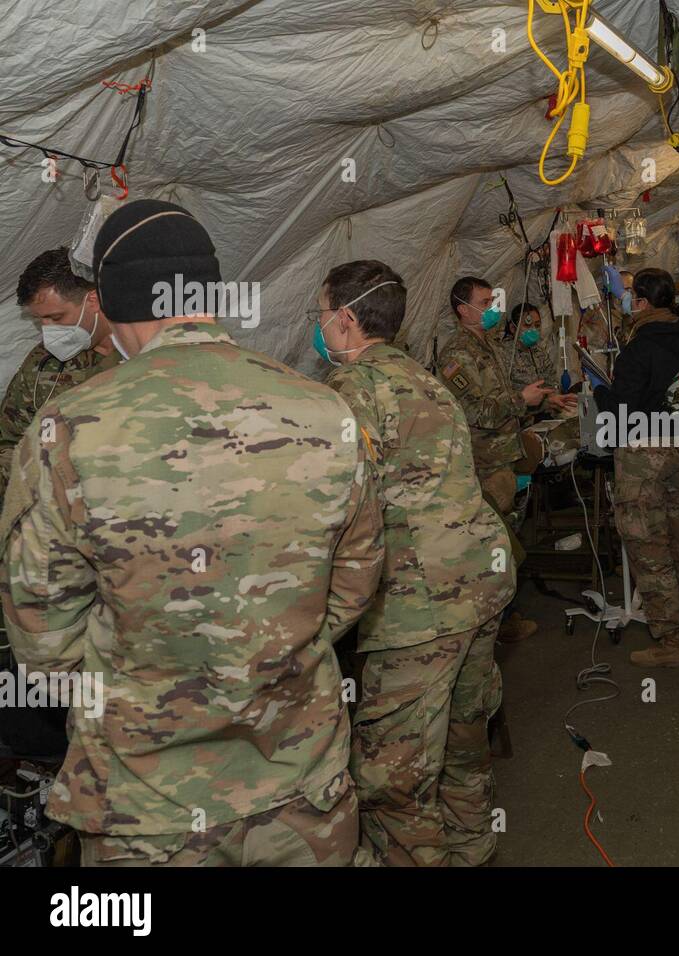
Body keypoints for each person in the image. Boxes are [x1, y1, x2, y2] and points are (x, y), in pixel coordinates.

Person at [0, 199, 385, 866]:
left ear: (112, 300)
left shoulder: (68, 429)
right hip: (299, 781)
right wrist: (265, 657)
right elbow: (354, 583)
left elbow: (42, 633)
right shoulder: (326, 410)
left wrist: (143, 667)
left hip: (147, 800)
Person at [314, 259, 516, 866]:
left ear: (346, 320)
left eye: (320, 315)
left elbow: (340, 507)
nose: (319, 326)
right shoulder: (426, 379)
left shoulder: (350, 392)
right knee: (462, 736)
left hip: (418, 605)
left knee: (393, 771)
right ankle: (473, 849)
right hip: (478, 579)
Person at [594, 268, 679, 667]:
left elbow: (623, 408)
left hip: (646, 449)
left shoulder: (639, 345)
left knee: (649, 545)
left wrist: (599, 392)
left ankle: (670, 639)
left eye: (630, 297)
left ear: (642, 302)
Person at [437, 275, 561, 643]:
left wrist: (541, 400)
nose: (493, 308)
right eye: (484, 302)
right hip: (484, 462)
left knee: (506, 544)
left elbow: (504, 395)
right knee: (493, 548)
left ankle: (505, 615)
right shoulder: (456, 356)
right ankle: (494, 624)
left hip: (505, 457)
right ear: (463, 310)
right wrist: (522, 400)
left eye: (493, 300)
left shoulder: (486, 345)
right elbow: (475, 410)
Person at [1, 248, 119, 492]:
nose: (48, 330)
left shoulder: (145, 356)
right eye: (40, 320)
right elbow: (9, 441)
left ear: (93, 300)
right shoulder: (43, 362)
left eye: (56, 317)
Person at [505, 302, 563, 402]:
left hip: (545, 409)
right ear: (513, 328)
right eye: (527, 325)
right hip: (520, 412)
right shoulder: (504, 354)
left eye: (537, 325)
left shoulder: (539, 352)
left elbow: (552, 381)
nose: (533, 330)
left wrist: (553, 396)